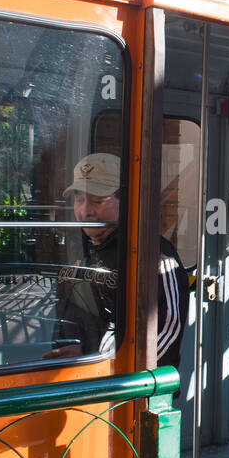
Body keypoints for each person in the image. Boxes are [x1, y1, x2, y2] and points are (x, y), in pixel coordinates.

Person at [47, 153, 188, 369]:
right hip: (77, 374)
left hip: (127, 380)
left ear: (126, 201)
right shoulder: (76, 249)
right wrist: (64, 349)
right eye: (79, 199)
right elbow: (64, 315)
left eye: (98, 200)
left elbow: (167, 328)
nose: (85, 211)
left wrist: (113, 369)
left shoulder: (153, 254)